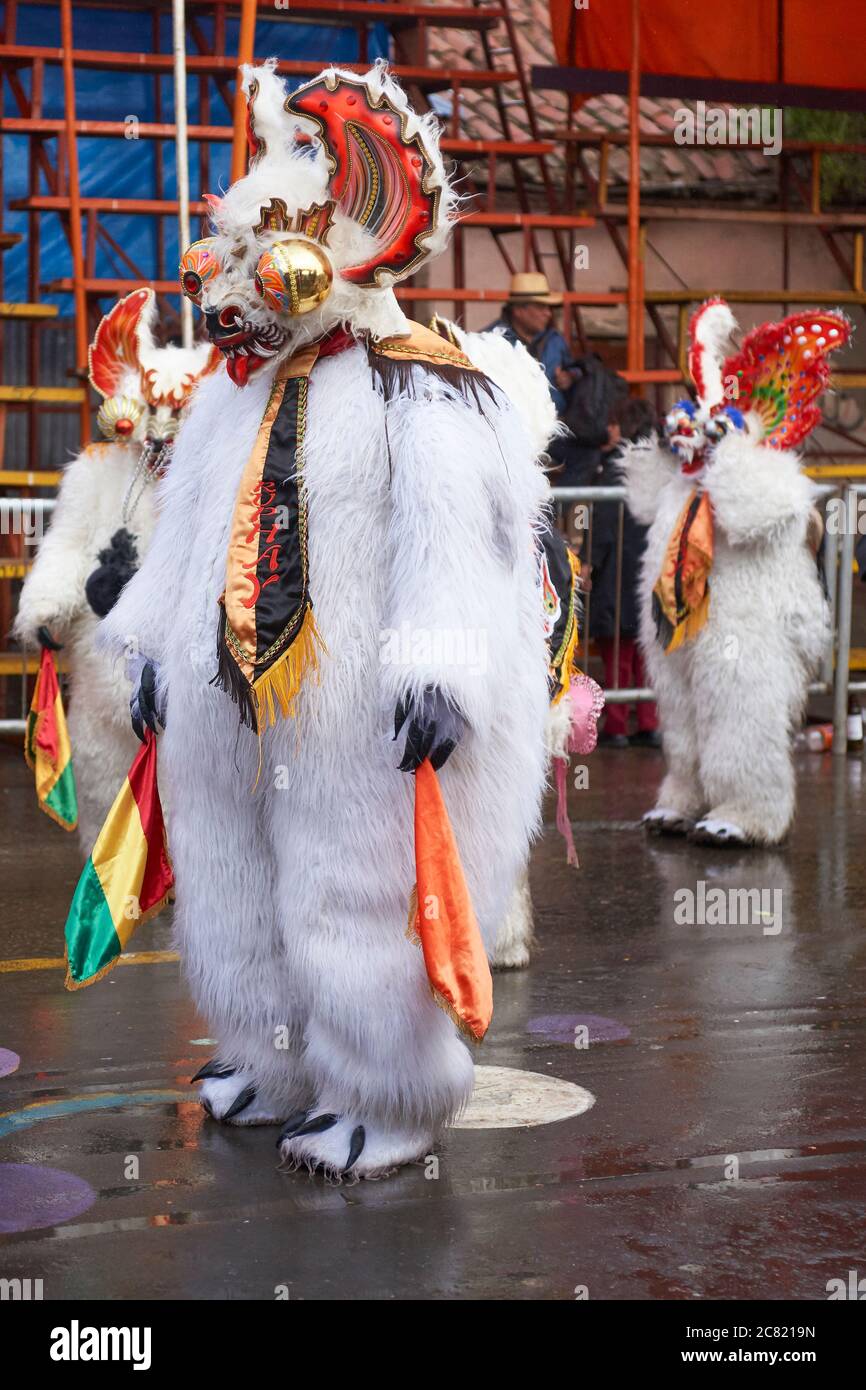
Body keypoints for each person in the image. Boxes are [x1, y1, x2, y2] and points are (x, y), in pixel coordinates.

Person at [98, 61, 551, 1179]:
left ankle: (384, 1092)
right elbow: (183, 531)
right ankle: (272, 1059)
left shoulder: (420, 385)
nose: (228, 276)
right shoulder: (228, 394)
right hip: (225, 702)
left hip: (353, 718)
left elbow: (453, 546)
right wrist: (148, 639)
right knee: (229, 872)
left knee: (351, 885)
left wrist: (437, 675)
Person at [622, 298, 849, 847]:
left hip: (746, 622)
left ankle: (751, 808)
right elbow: (643, 502)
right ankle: (687, 791)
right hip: (681, 616)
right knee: (680, 705)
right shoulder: (686, 478)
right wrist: (663, 444)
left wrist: (728, 453)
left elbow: (760, 518)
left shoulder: (767, 468)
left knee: (742, 703)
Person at [13, 290, 218, 850]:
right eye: (156, 413)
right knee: (106, 792)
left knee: (189, 805)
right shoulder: (96, 472)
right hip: (103, 672)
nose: (163, 430)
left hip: (184, 675)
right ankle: (112, 906)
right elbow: (67, 544)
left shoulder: (214, 483)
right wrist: (48, 606)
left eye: (178, 414)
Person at [589, 395, 660, 747]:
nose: (610, 430)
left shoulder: (616, 467)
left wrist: (589, 563)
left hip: (617, 573)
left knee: (617, 653)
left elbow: (602, 525)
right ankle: (649, 722)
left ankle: (616, 725)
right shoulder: (665, 468)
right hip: (653, 572)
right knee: (649, 652)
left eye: (614, 423)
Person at [484, 271, 573, 411]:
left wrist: (570, 377)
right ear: (519, 310)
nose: (548, 313)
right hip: (509, 426)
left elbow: (572, 368)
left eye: (549, 308)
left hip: (557, 426)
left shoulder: (555, 340)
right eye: (540, 307)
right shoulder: (490, 341)